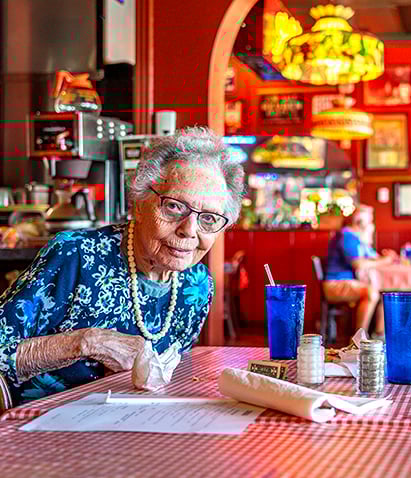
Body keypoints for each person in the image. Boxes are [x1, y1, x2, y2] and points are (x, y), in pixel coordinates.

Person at [0, 126, 244, 406]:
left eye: (209, 218)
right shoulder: (75, 255)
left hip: (129, 429)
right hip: (35, 427)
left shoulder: (197, 285)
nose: (189, 230)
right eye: (174, 207)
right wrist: (86, 342)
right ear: (139, 203)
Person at [323, 205, 398, 339]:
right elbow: (358, 264)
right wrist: (385, 260)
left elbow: (373, 257)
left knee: (382, 292)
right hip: (335, 284)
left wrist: (386, 258)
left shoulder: (357, 238)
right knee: (370, 293)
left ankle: (379, 336)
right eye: (370, 221)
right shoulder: (346, 236)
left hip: (348, 282)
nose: (372, 224)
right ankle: (358, 339)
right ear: (360, 222)